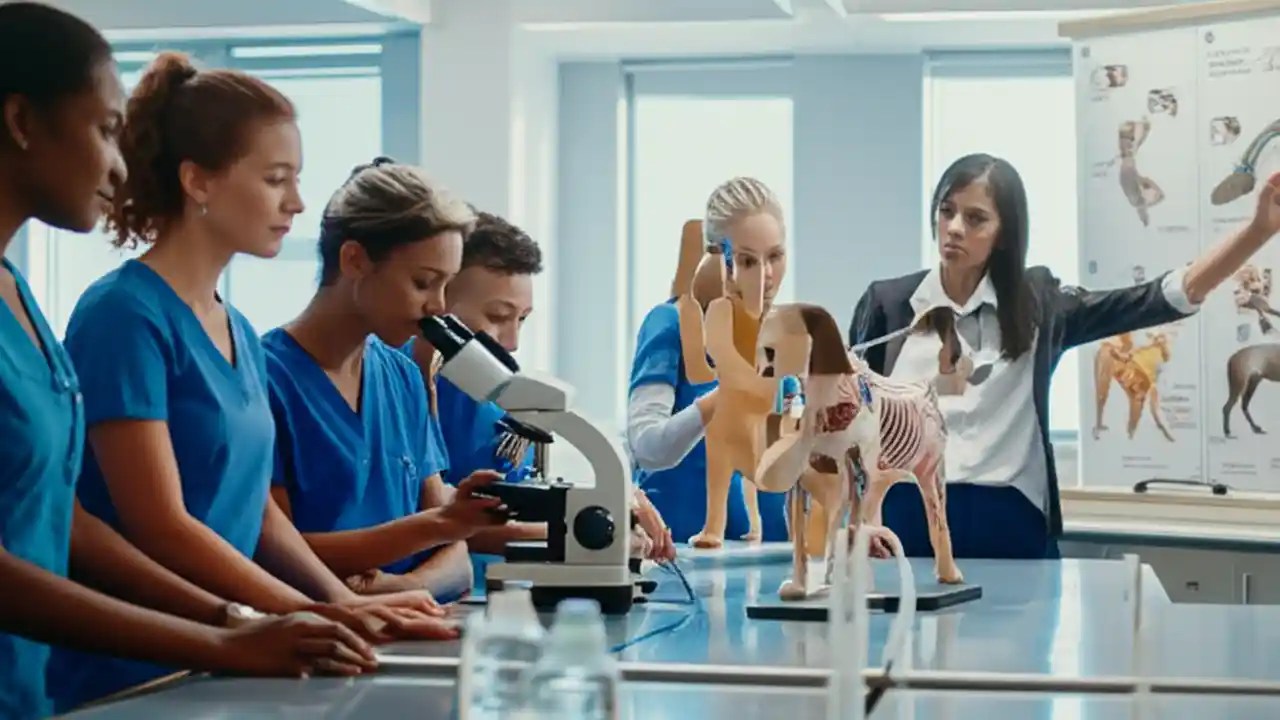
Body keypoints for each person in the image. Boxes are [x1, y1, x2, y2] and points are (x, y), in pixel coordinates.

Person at [50, 51, 455, 710]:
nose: (297, 202)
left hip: (232, 661)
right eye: (275, 179)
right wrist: (302, 612)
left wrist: (341, 603)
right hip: (136, 671)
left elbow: (258, 511)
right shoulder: (123, 315)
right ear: (198, 181)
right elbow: (161, 524)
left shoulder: (235, 327)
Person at [0, 5, 374, 718]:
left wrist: (306, 609)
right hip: (115, 679)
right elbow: (155, 523)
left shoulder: (21, 297)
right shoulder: (121, 313)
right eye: (103, 131)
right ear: (21, 121)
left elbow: (67, 520)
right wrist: (229, 631)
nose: (118, 165)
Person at [849, 152, 1280, 560]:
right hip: (903, 513)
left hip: (1008, 518)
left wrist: (1258, 230)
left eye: (976, 218)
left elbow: (1161, 297)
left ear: (1004, 234)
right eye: (946, 211)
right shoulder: (889, 305)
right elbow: (852, 422)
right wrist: (854, 520)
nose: (955, 228)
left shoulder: (1040, 307)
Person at [264, 157, 508, 604]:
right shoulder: (266, 380)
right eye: (423, 282)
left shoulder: (403, 377)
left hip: (403, 623)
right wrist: (441, 526)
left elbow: (454, 557)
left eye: (446, 286)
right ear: (354, 260)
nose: (438, 306)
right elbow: (274, 554)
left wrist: (401, 590)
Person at [405, 212, 678, 564]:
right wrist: (602, 534)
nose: (513, 342)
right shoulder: (411, 384)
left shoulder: (495, 391)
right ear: (440, 300)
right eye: (498, 316)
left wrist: (620, 498)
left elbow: (526, 494)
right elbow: (443, 522)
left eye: (522, 319)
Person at [625, 177, 789, 547]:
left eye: (775, 257)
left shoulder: (779, 335)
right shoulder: (670, 325)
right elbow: (647, 448)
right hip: (677, 556)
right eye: (747, 260)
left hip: (770, 559)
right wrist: (727, 396)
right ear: (715, 257)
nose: (766, 275)